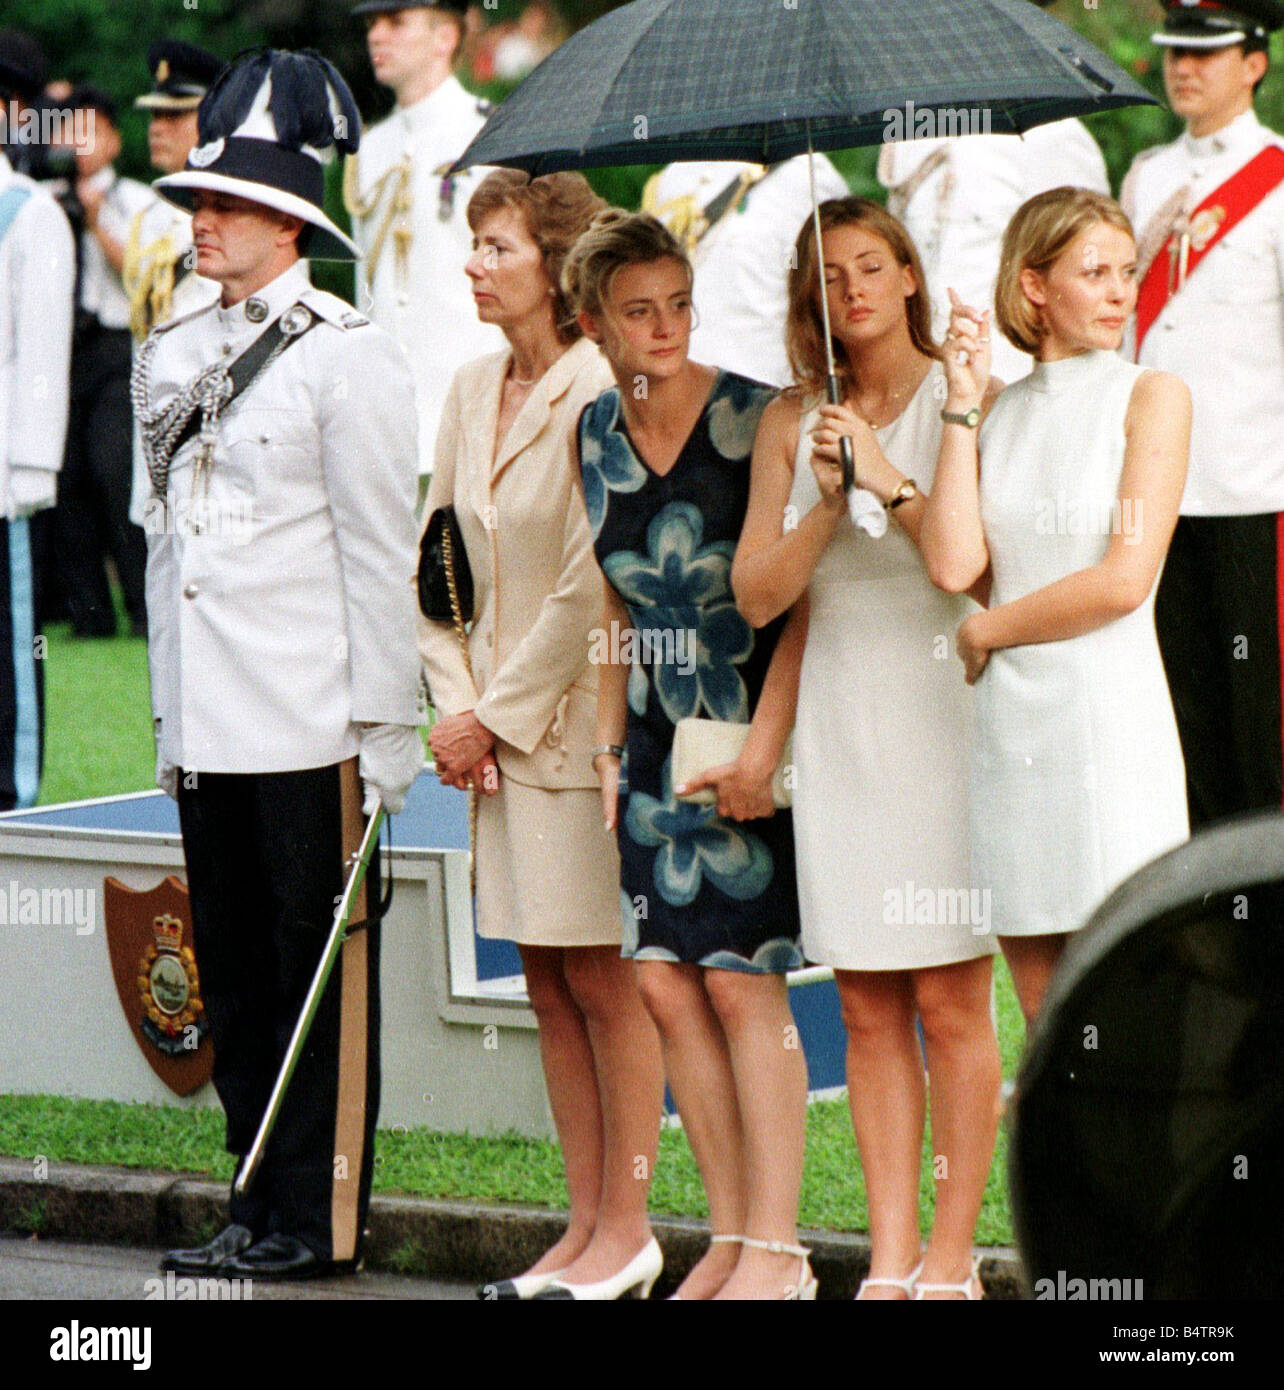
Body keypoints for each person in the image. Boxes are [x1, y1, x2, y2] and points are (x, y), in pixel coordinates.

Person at [138, 49, 424, 1281]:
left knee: (320, 988)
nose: (201, 221)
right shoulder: (169, 349)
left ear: (287, 223)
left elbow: (378, 549)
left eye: (224, 206)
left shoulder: (341, 352)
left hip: (311, 720)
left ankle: (318, 1218)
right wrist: (167, 713)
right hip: (213, 720)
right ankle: (248, 1200)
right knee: (242, 982)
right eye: (196, 203)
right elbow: (165, 553)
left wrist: (387, 725)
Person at [733, 197, 1001, 1301]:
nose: (850, 290)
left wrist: (891, 473)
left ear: (907, 277)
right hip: (844, 726)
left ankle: (951, 1256)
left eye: (869, 267)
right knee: (864, 1004)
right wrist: (826, 508)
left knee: (950, 1000)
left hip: (945, 719)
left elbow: (979, 573)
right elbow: (758, 598)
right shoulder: (794, 422)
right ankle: (889, 1257)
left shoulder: (967, 395)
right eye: (828, 276)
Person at [418, 169, 666, 1302]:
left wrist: (491, 715)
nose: (473, 262)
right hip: (486, 744)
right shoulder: (470, 388)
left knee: (602, 979)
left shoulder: (596, 391)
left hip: (566, 734)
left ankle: (631, 1229)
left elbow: (585, 587)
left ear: (556, 270)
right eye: (472, 244)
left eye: (496, 245)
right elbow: (436, 565)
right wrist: (447, 700)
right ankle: (578, 1229)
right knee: (546, 983)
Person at [566, 210, 812, 1301]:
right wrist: (611, 743)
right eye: (638, 311)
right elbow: (618, 594)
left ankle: (782, 1250)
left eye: (678, 304)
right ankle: (725, 1236)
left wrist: (769, 743)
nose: (664, 327)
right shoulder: (592, 433)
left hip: (749, 727)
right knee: (666, 987)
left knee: (743, 985)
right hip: (659, 741)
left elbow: (805, 605)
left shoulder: (760, 417)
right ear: (596, 324)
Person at [920, 187, 1190, 1031]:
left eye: (1127, 272)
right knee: (1051, 1029)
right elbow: (954, 561)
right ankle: (1066, 1170)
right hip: (1013, 736)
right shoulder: (998, 411)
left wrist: (986, 629)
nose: (1120, 291)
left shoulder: (1153, 395)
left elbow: (1122, 581)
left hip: (1110, 729)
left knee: (1134, 1011)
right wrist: (962, 403)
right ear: (1034, 288)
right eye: (1095, 273)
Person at [1121, 0, 1284, 829]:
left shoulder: (1278, 176)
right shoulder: (1150, 174)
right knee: (1178, 713)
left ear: (1253, 62)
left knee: (1263, 718)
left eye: (1206, 53)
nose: (1184, 68)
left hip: (1254, 491)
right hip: (1158, 495)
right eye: (1175, 52)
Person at [878, 2, 1108, 385]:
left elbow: (1087, 283)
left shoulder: (1054, 134)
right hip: (919, 381)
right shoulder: (915, 132)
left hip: (1008, 384)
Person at [346, 0, 502, 480]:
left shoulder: (489, 135)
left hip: (473, 414)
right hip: (385, 423)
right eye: (372, 24)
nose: (376, 36)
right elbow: (364, 292)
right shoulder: (369, 147)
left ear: (445, 37)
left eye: (395, 22)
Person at [0, 30, 74, 812]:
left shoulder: (30, 215)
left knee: (10, 645)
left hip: (2, 478)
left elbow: (42, 352)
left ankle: (12, 798)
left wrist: (28, 473)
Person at [51, 86, 153, 638]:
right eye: (66, 132)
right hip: (64, 348)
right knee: (66, 478)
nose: (76, 145)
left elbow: (140, 276)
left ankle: (141, 606)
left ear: (113, 139)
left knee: (114, 471)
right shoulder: (42, 199)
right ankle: (87, 613)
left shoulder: (136, 200)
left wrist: (94, 220)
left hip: (115, 344)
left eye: (87, 132)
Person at [125, 39, 225, 529]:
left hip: (212, 435)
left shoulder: (241, 212)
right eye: (153, 116)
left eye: (175, 115)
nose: (156, 128)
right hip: (152, 431)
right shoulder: (147, 215)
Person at [642, 154, 848, 387]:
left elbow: (832, 299)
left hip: (766, 391)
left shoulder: (806, 173)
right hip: (678, 391)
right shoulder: (673, 176)